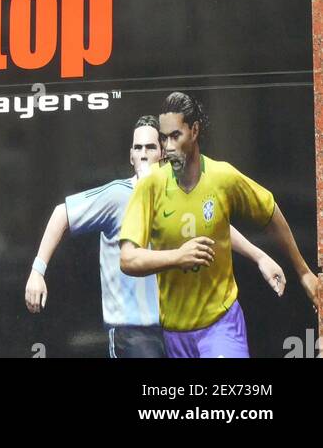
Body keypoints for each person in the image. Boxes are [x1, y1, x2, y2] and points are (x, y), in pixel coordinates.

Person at [25, 115, 285, 358]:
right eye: (137, 149)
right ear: (130, 156)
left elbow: (215, 226)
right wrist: (38, 270)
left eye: (149, 148)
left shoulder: (173, 193)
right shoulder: (117, 196)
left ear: (162, 153)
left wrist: (259, 256)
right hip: (132, 332)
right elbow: (62, 213)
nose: (143, 155)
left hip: (172, 326)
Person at [119, 91, 319, 357]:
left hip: (222, 325)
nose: (168, 147)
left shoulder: (222, 177)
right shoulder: (151, 186)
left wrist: (303, 271)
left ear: (194, 130)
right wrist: (177, 257)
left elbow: (268, 212)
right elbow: (128, 259)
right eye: (164, 138)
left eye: (175, 136)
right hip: (175, 333)